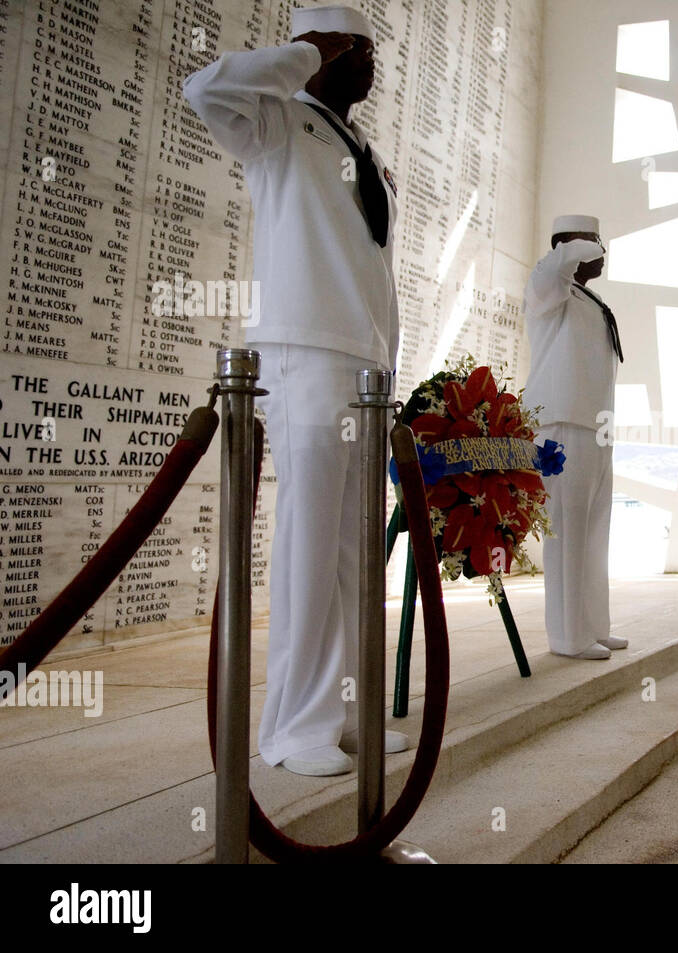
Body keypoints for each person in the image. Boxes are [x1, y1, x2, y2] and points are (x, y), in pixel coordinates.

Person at [185, 5, 407, 776]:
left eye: (372, 50)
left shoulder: (365, 152)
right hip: (305, 353)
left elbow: (376, 274)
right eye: (359, 50)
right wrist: (297, 57)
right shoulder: (277, 123)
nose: (371, 64)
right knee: (310, 541)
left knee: (352, 552)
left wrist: (388, 360)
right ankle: (292, 727)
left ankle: (346, 709)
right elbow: (204, 89)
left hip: (363, 363)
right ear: (324, 51)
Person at [524, 215, 624, 660]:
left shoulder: (589, 298)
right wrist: (578, 245)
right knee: (566, 529)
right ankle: (567, 636)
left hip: (595, 426)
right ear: (568, 246)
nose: (600, 251)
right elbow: (552, 271)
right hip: (561, 425)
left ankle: (593, 626)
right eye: (591, 242)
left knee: (593, 533)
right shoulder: (549, 288)